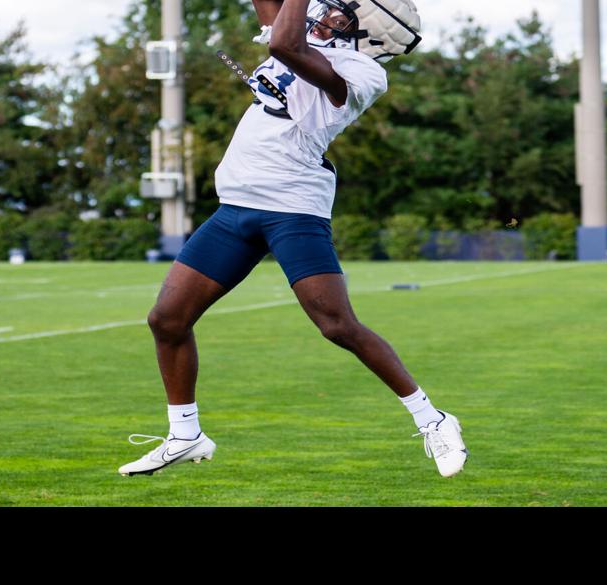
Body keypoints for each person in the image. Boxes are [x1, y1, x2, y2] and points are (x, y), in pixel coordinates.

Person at [120, 0, 467, 478]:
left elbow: (284, 42)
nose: (328, 13)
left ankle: (434, 420)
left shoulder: (363, 72)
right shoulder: (316, 40)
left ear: (371, 35)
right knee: (167, 319)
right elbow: (274, 13)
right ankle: (186, 435)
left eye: (344, 15)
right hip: (237, 204)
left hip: (292, 207)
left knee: (336, 324)